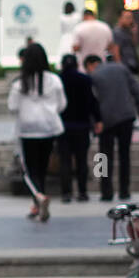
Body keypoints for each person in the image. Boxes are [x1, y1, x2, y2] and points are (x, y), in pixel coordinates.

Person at [8, 43, 67, 221]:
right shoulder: (54, 80)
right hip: (48, 128)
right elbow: (62, 105)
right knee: (42, 166)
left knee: (31, 168)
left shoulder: (19, 83)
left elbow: (12, 107)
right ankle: (39, 200)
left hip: (27, 129)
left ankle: (38, 198)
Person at [85, 53, 139, 201]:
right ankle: (124, 190)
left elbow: (92, 102)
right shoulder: (122, 69)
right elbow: (136, 90)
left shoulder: (94, 76)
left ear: (91, 65)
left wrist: (94, 123)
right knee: (124, 155)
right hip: (126, 116)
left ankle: (106, 191)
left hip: (105, 120)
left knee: (103, 157)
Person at [56, 54, 101, 202]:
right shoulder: (85, 79)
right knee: (81, 160)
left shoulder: (58, 80)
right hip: (82, 125)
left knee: (65, 161)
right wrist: (98, 120)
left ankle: (66, 193)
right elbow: (92, 101)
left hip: (63, 126)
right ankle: (82, 192)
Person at [113, 10, 139, 75]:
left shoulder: (129, 31)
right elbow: (116, 50)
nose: (130, 20)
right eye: (127, 17)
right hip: (124, 65)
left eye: (131, 18)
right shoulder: (118, 32)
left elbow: (134, 45)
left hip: (132, 64)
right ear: (120, 19)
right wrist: (119, 65)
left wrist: (134, 33)